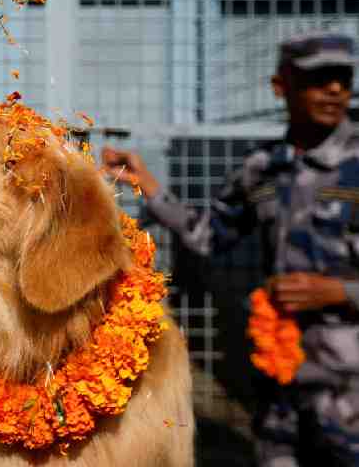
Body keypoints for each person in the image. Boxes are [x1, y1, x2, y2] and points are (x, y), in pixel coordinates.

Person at [103, 32, 359, 467]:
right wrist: (147, 185)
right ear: (282, 86)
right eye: (318, 79)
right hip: (280, 378)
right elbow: (209, 234)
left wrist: (342, 291)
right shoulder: (262, 167)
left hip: (350, 383)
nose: (334, 89)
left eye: (342, 78)